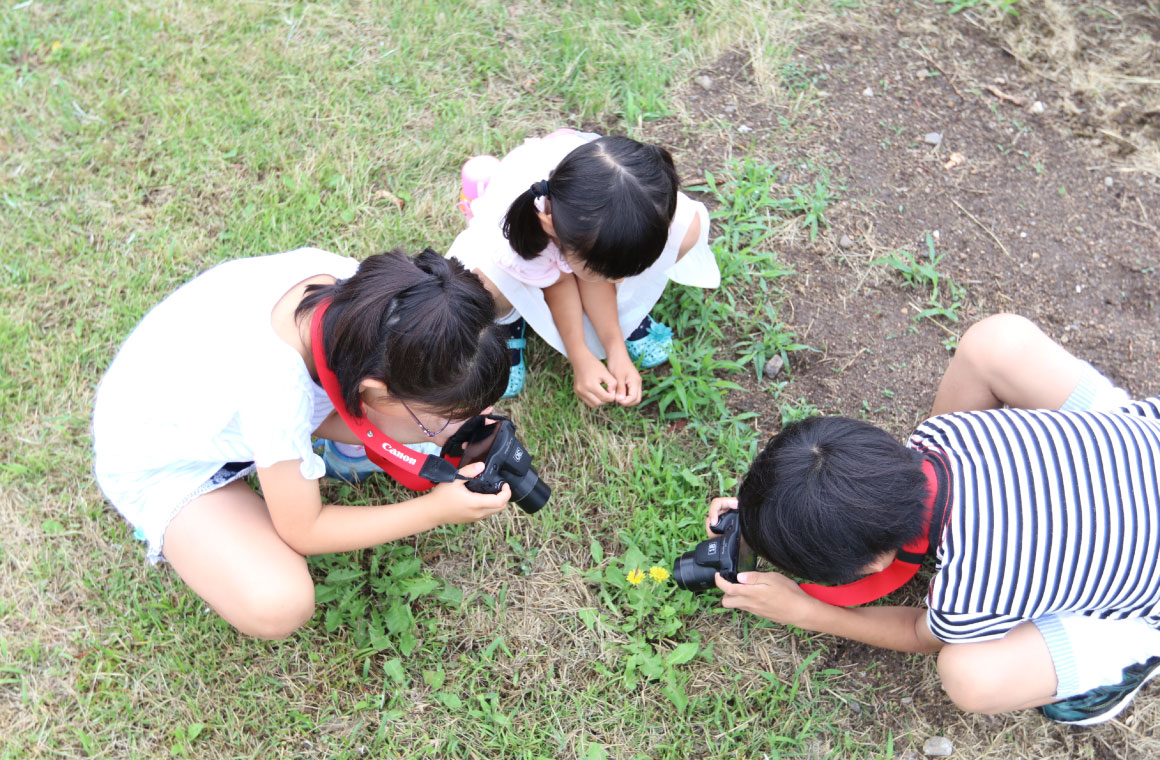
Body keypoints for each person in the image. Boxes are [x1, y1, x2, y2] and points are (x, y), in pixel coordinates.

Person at [706, 314, 1160, 725]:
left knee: (968, 675)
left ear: (872, 565)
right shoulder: (949, 432)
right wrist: (777, 501)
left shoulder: (974, 587)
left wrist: (807, 611)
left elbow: (920, 633)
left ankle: (1133, 653)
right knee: (993, 343)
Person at [92, 247, 514, 639]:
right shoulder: (274, 390)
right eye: (440, 413)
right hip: (161, 460)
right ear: (374, 387)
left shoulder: (372, 298)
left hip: (193, 390)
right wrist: (433, 510)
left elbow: (335, 397)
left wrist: (435, 426)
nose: (446, 423)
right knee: (278, 601)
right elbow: (304, 529)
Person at [448, 129, 720, 407]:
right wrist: (580, 356)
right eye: (606, 272)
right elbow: (560, 282)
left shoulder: (616, 201)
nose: (623, 279)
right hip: (523, 242)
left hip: (582, 226)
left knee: (686, 228)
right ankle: (509, 320)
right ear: (552, 230)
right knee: (486, 282)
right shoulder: (527, 224)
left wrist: (615, 349)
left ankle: (623, 317)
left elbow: (590, 276)